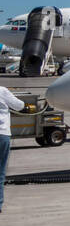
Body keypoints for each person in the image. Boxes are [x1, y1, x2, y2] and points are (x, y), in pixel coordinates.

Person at [1, 85, 29, 214]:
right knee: (0, 172)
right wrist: (25, 107)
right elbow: (19, 106)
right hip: (2, 134)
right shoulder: (2, 90)